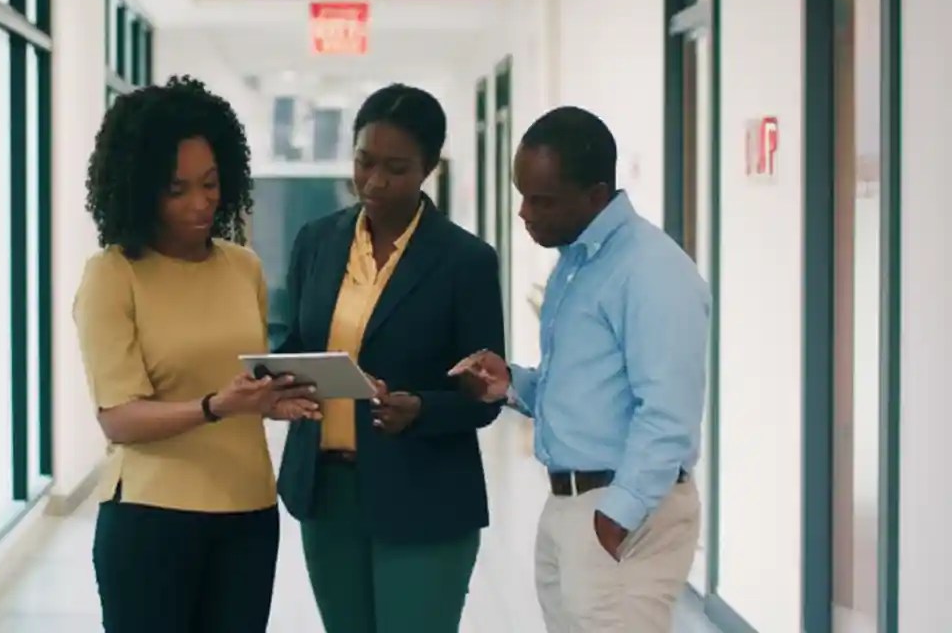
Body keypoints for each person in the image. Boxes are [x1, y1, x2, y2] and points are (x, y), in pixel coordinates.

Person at [74, 76, 320, 633]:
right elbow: (119, 418)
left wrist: (268, 403)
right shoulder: (113, 276)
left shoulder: (243, 267)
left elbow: (238, 382)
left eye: (210, 183)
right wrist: (214, 407)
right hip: (150, 519)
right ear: (139, 189)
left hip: (248, 514)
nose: (200, 202)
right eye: (176, 188)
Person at [451, 106, 709, 631]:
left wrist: (618, 517)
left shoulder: (651, 271)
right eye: (521, 194)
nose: (524, 213)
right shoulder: (578, 263)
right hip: (570, 505)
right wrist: (512, 385)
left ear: (595, 196)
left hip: (621, 513)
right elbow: (584, 390)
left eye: (541, 200)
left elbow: (667, 413)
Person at [275, 83, 506, 633]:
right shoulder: (317, 241)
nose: (374, 181)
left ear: (428, 167)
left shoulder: (464, 261)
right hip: (327, 494)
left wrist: (421, 409)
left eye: (396, 168)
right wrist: (277, 380)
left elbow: (484, 397)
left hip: (422, 494)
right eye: (364, 161)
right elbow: (295, 342)